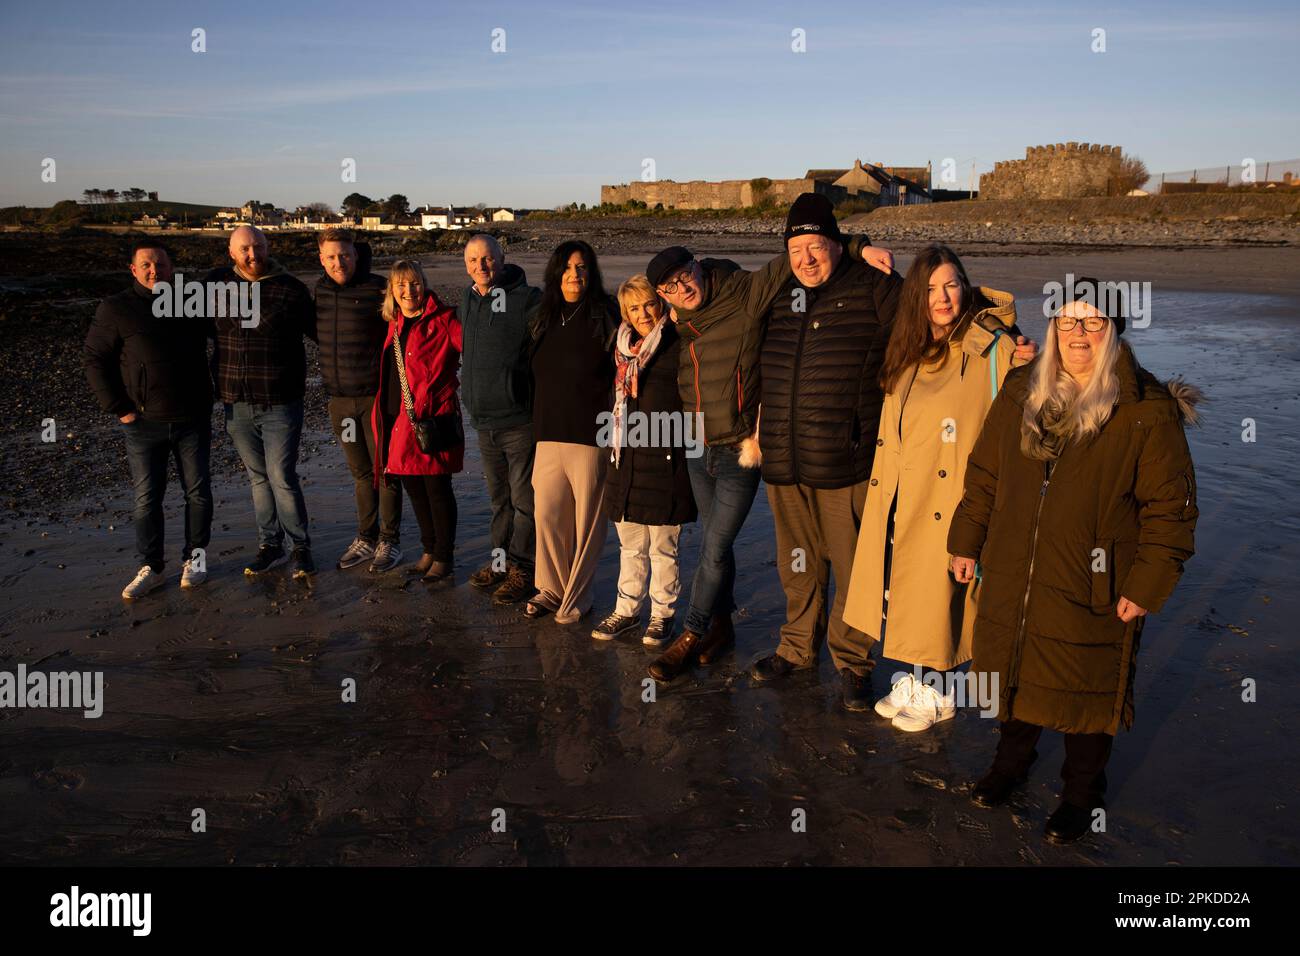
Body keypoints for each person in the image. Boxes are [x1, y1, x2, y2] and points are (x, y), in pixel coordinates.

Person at [947, 278, 1200, 844]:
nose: (1077, 333)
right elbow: (984, 473)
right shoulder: (1020, 389)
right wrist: (967, 539)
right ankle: (1009, 766)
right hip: (1014, 567)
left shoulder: (1144, 409)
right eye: (1067, 321)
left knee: (1086, 691)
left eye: (1091, 321)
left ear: (1112, 331)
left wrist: (1147, 583)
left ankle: (1084, 794)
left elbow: (1171, 509)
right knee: (1011, 672)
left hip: (1097, 580)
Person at [643, 228, 895, 683]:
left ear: (698, 267)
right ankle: (721, 628)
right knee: (714, 549)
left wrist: (858, 246)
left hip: (743, 449)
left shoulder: (745, 292)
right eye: (669, 287)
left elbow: (801, 251)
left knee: (717, 548)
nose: (682, 289)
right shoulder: (677, 321)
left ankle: (691, 635)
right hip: (699, 447)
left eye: (685, 276)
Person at [842, 245, 1032, 729]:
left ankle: (941, 686)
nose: (942, 297)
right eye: (929, 289)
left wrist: (1022, 353)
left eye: (951, 285)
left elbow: (1029, 392)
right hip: (902, 492)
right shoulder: (908, 348)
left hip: (951, 493)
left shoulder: (990, 345)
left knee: (940, 591)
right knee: (906, 590)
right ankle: (916, 673)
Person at [747, 193, 904, 710]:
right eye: (797, 249)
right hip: (784, 461)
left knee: (855, 568)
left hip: (846, 461)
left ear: (836, 245)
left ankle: (853, 662)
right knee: (798, 565)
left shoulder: (873, 288)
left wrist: (1005, 338)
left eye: (817, 246)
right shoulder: (777, 293)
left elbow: (937, 317)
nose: (806, 259)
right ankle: (796, 649)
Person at [84, 238, 214, 598]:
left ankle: (196, 560)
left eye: (161, 264)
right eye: (147, 265)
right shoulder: (116, 309)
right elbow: (95, 360)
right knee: (146, 497)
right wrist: (120, 409)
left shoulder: (190, 301)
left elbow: (228, 333)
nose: (155, 270)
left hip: (193, 417)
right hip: (143, 422)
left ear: (172, 267)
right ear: (134, 270)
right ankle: (151, 567)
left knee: (199, 493)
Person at [590, 275, 697, 646]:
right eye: (633, 308)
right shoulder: (618, 347)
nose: (643, 314)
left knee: (663, 547)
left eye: (649, 304)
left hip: (666, 460)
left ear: (660, 303)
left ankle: (662, 614)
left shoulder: (679, 342)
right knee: (630, 545)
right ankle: (626, 610)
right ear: (625, 314)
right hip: (625, 460)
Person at [207, 225, 318, 578]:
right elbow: (189, 331)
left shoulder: (291, 289)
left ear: (269, 247)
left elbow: (322, 333)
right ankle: (270, 545)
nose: (253, 254)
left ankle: (300, 547)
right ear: (231, 253)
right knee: (258, 478)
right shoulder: (217, 287)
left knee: (281, 476)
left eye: (258, 247)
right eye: (245, 249)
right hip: (235, 402)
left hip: (280, 400)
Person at [525, 240, 619, 625]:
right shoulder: (543, 315)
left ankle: (577, 597)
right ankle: (550, 588)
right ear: (555, 272)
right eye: (567, 267)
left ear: (590, 272)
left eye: (581, 267)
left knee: (586, 524)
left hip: (590, 434)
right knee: (547, 515)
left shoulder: (606, 313)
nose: (574, 274)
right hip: (547, 432)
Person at [314, 228, 403, 573]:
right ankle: (365, 538)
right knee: (361, 474)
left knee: (387, 472)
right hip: (341, 403)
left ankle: (389, 541)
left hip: (375, 401)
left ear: (356, 254)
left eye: (345, 255)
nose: (340, 262)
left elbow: (406, 325)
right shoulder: (320, 291)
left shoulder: (379, 288)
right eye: (332, 257)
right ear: (321, 259)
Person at [459, 234, 540, 605]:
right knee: (498, 500)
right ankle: (499, 562)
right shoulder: (467, 300)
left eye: (488, 258)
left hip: (519, 421)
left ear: (502, 259)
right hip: (483, 421)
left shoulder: (527, 299)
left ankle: (524, 569)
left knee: (525, 501)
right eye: (474, 260)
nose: (481, 266)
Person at [371, 260, 464, 582]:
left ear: (424, 284)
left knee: (437, 488)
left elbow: (473, 351)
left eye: (414, 283)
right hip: (398, 421)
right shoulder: (394, 323)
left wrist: (450, 389)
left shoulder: (445, 319)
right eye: (401, 285)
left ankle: (444, 556)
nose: (409, 291)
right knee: (413, 486)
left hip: (432, 419)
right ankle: (428, 549)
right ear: (392, 291)